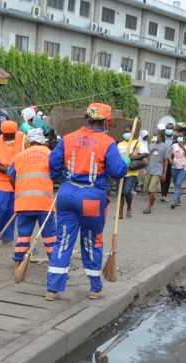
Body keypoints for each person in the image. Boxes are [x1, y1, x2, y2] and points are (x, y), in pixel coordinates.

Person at [46, 103, 126, 301]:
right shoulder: (107, 142)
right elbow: (117, 172)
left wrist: (59, 176)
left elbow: (53, 164)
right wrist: (125, 164)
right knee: (91, 241)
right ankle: (94, 288)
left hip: (66, 194)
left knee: (63, 240)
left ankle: (52, 289)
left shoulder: (68, 138)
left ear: (87, 119)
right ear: (104, 121)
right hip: (91, 196)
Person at [8, 128, 56, 265]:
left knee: (23, 236)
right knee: (50, 236)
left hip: (24, 203)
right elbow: (57, 172)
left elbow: (10, 175)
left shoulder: (20, 155)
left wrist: (18, 189)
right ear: (42, 141)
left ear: (29, 141)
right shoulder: (49, 154)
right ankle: (55, 266)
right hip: (44, 203)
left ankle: (18, 263)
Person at [0, 119, 24, 246]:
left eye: (11, 136)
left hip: (15, 179)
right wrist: (11, 169)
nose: (8, 139)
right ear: (2, 134)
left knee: (11, 209)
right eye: (6, 137)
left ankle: (7, 238)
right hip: (0, 179)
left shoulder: (22, 138)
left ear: (15, 133)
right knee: (1, 208)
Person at [117, 123, 148, 220]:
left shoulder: (137, 143)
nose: (126, 133)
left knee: (126, 191)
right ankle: (120, 213)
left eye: (128, 132)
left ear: (132, 133)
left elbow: (146, 153)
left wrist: (134, 157)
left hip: (131, 172)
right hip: (121, 171)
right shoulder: (120, 144)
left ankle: (129, 207)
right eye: (125, 132)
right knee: (120, 193)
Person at [142, 128, 167, 214]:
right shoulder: (151, 146)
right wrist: (144, 168)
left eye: (155, 135)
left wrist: (164, 173)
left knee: (152, 189)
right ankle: (153, 197)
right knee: (147, 189)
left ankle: (149, 207)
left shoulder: (164, 146)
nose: (154, 137)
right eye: (153, 135)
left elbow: (165, 160)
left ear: (160, 136)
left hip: (158, 170)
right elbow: (148, 158)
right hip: (149, 170)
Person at [168, 129, 186, 209]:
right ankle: (178, 200)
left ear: (185, 137)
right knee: (176, 185)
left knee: (178, 184)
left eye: (181, 136)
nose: (179, 138)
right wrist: (170, 160)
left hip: (184, 168)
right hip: (174, 168)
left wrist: (183, 146)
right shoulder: (174, 145)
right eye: (178, 136)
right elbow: (169, 155)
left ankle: (174, 201)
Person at [159, 121, 176, 199]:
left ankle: (165, 193)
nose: (169, 130)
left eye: (171, 129)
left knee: (168, 177)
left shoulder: (176, 138)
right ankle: (163, 194)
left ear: (173, 129)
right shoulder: (161, 137)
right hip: (162, 159)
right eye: (167, 128)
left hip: (171, 160)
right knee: (163, 175)